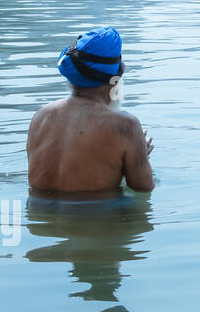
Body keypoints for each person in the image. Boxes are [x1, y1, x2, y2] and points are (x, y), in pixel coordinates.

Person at [27, 26, 154, 195]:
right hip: (96, 217)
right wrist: (140, 156)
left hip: (38, 215)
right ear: (114, 80)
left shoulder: (40, 116)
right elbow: (143, 187)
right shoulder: (125, 126)